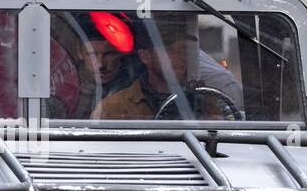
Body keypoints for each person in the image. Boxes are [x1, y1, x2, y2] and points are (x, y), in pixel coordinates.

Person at [94, 19, 244, 120]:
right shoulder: (113, 107)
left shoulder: (208, 102)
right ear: (145, 56)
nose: (181, 56)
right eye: (170, 50)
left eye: (184, 49)